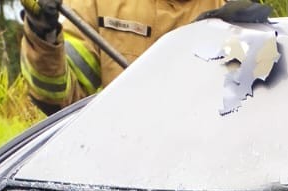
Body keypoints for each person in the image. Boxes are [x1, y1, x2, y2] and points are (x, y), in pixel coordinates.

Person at [20, 0, 232, 112]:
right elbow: (59, 99)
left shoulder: (230, 12)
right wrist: (42, 32)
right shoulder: (98, 3)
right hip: (118, 168)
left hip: (199, 170)